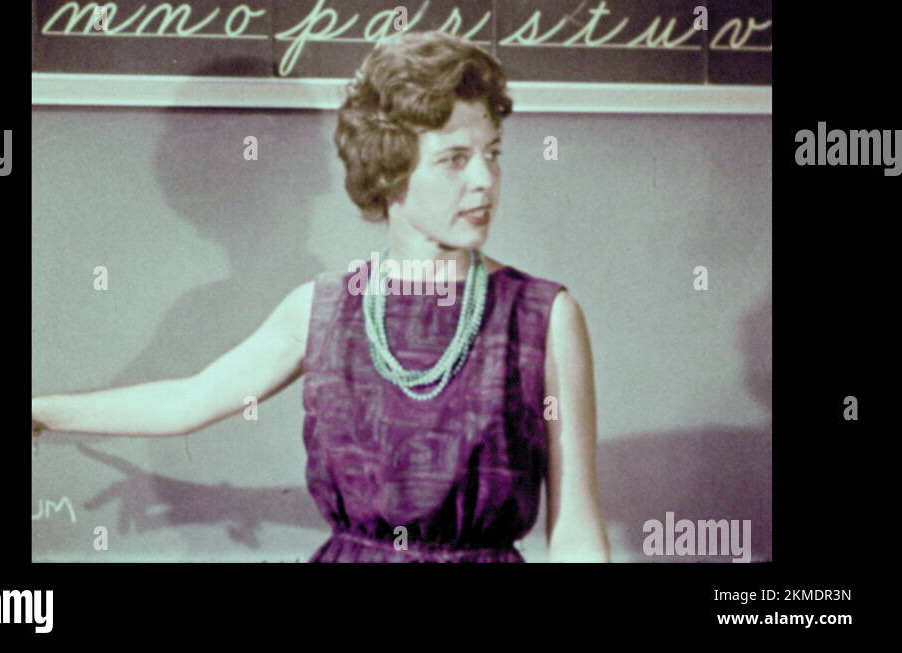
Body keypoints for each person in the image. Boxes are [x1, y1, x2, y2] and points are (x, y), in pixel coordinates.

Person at [32, 30, 610, 563]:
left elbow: (577, 530)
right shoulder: (327, 307)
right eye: (455, 159)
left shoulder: (543, 316)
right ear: (388, 169)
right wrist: (41, 412)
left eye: (493, 153)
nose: (484, 179)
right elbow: (190, 401)